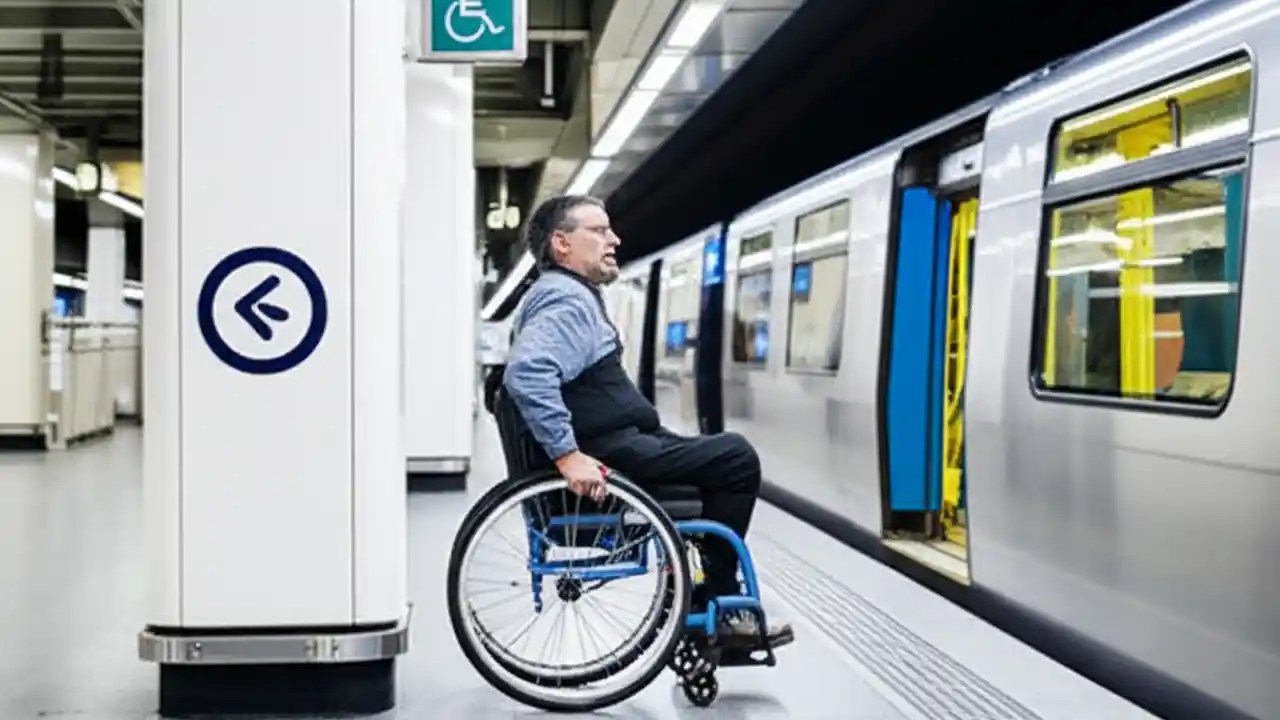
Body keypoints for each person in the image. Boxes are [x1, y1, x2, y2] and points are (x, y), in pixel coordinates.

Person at [501, 194, 792, 647]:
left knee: (716, 457)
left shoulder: (567, 296)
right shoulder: (565, 300)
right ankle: (710, 599)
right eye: (598, 231)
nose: (613, 239)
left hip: (619, 445)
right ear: (561, 244)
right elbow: (527, 372)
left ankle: (701, 593)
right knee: (736, 459)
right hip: (610, 456)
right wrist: (568, 455)